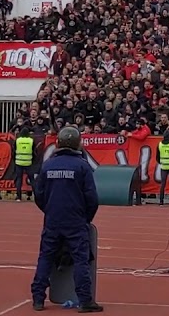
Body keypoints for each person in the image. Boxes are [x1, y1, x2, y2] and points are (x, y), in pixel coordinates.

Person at [30, 126, 101, 312]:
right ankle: (85, 300)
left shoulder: (47, 165)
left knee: (45, 257)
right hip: (76, 221)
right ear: (78, 144)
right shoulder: (82, 166)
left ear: (58, 143)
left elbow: (39, 194)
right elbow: (92, 198)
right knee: (81, 260)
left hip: (53, 220)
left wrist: (49, 210)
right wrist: (86, 218)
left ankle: (38, 298)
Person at [13, 127, 35, 202]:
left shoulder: (17, 140)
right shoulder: (31, 141)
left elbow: (13, 150)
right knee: (32, 180)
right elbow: (35, 151)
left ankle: (18, 197)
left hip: (19, 162)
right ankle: (36, 195)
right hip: (28, 162)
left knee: (19, 179)